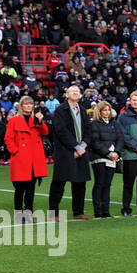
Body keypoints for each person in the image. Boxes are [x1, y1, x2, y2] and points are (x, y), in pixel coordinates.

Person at [49, 84, 93, 221]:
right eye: (72, 91)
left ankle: (78, 212)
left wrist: (83, 146)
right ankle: (53, 214)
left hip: (81, 151)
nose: (75, 93)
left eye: (77, 91)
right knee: (59, 183)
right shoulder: (60, 110)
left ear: (80, 95)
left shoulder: (83, 111)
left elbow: (88, 131)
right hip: (65, 152)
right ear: (66, 95)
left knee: (80, 183)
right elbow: (61, 131)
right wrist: (75, 146)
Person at [4, 96, 48, 222]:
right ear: (21, 106)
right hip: (21, 159)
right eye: (26, 104)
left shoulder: (36, 119)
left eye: (31, 104)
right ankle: (19, 215)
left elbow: (45, 132)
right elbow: (8, 138)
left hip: (34, 159)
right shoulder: (14, 120)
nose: (29, 106)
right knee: (19, 189)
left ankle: (28, 214)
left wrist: (40, 121)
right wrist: (15, 152)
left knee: (30, 189)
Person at [87, 101, 122, 219]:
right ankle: (98, 211)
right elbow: (95, 141)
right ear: (100, 111)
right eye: (104, 110)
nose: (107, 112)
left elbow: (120, 139)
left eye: (108, 110)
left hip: (113, 158)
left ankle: (106, 211)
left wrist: (116, 152)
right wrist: (107, 153)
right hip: (99, 157)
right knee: (100, 183)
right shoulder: (94, 124)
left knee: (107, 184)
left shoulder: (115, 123)